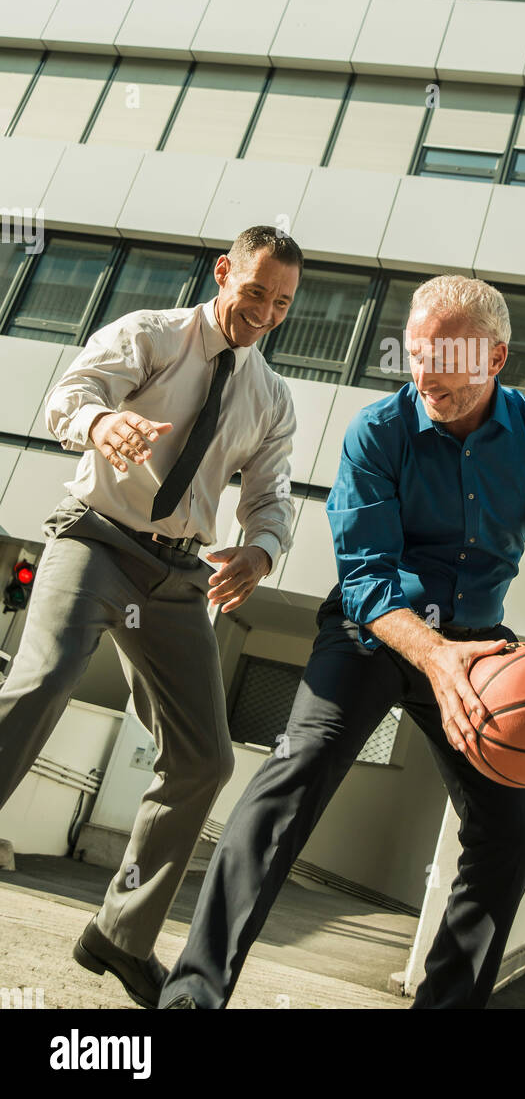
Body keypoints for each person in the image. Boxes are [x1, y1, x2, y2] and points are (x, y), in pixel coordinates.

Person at [159, 273, 525, 1011]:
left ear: (496, 358)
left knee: (509, 840)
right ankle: (194, 996)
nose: (426, 374)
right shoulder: (378, 430)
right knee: (294, 775)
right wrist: (434, 657)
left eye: (449, 359)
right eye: (417, 354)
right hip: (375, 631)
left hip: (481, 648)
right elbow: (365, 577)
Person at [0, 224, 303, 1008]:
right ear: (223, 271)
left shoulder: (270, 397)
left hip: (175, 581)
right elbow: (73, 395)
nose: (265, 311)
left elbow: (271, 498)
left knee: (204, 757)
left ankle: (120, 933)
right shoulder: (153, 334)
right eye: (254, 292)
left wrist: (259, 552)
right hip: (95, 539)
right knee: (45, 677)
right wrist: (102, 425)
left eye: (281, 302)